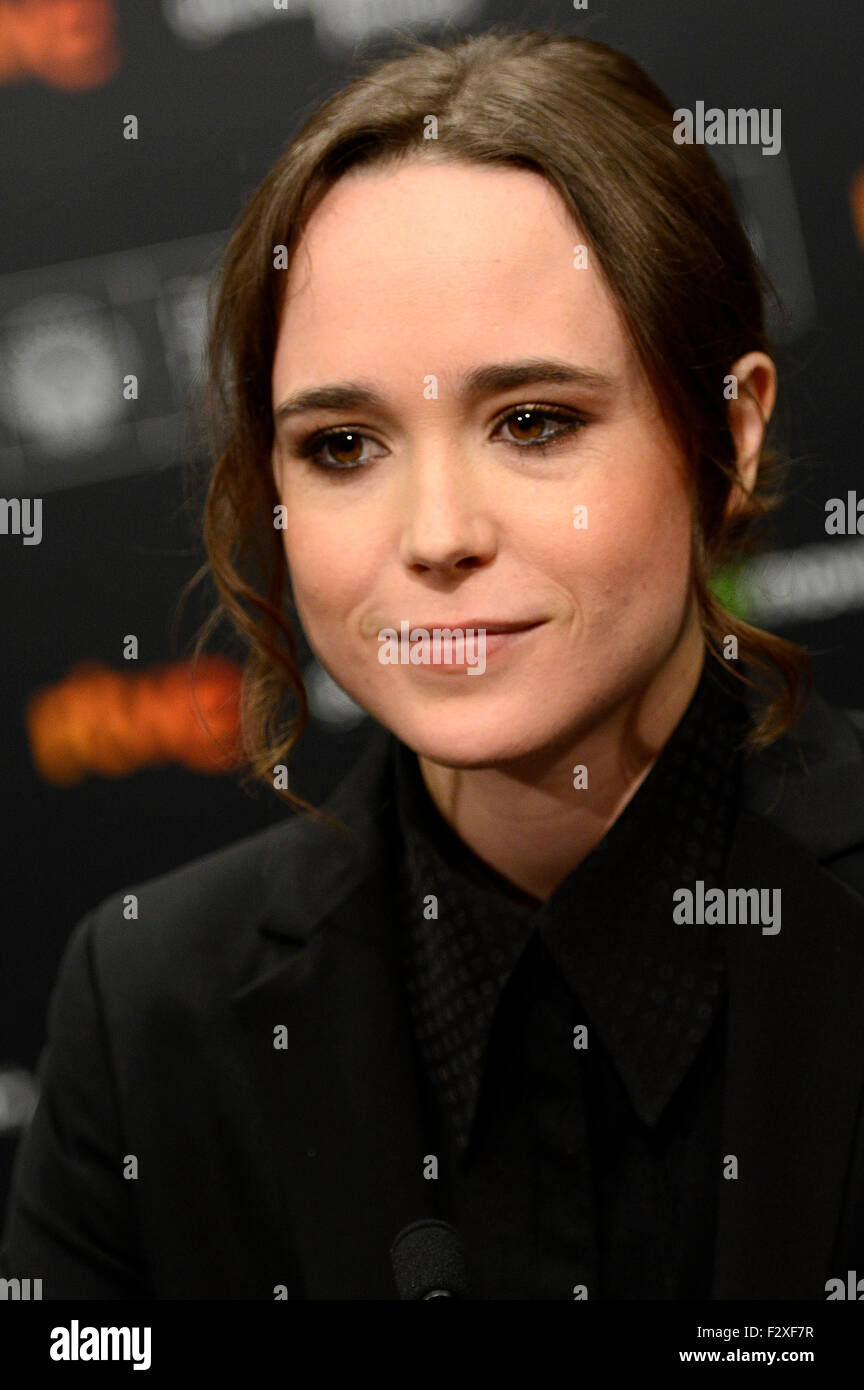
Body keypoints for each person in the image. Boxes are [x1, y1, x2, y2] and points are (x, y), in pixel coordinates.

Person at [3, 28, 864, 1301]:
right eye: (344, 445)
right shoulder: (151, 1016)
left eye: (534, 423)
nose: (437, 537)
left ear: (727, 436)